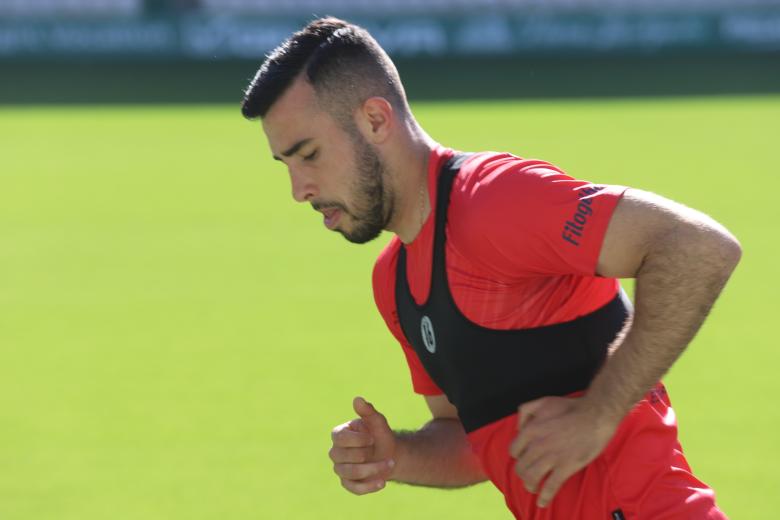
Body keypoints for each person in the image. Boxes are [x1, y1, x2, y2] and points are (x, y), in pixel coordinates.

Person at [241, 17, 741, 520]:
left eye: (309, 155)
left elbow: (697, 246)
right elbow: (473, 439)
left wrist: (600, 411)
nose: (299, 190)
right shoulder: (393, 279)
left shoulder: (494, 201)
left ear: (375, 120)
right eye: (287, 165)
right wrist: (397, 454)